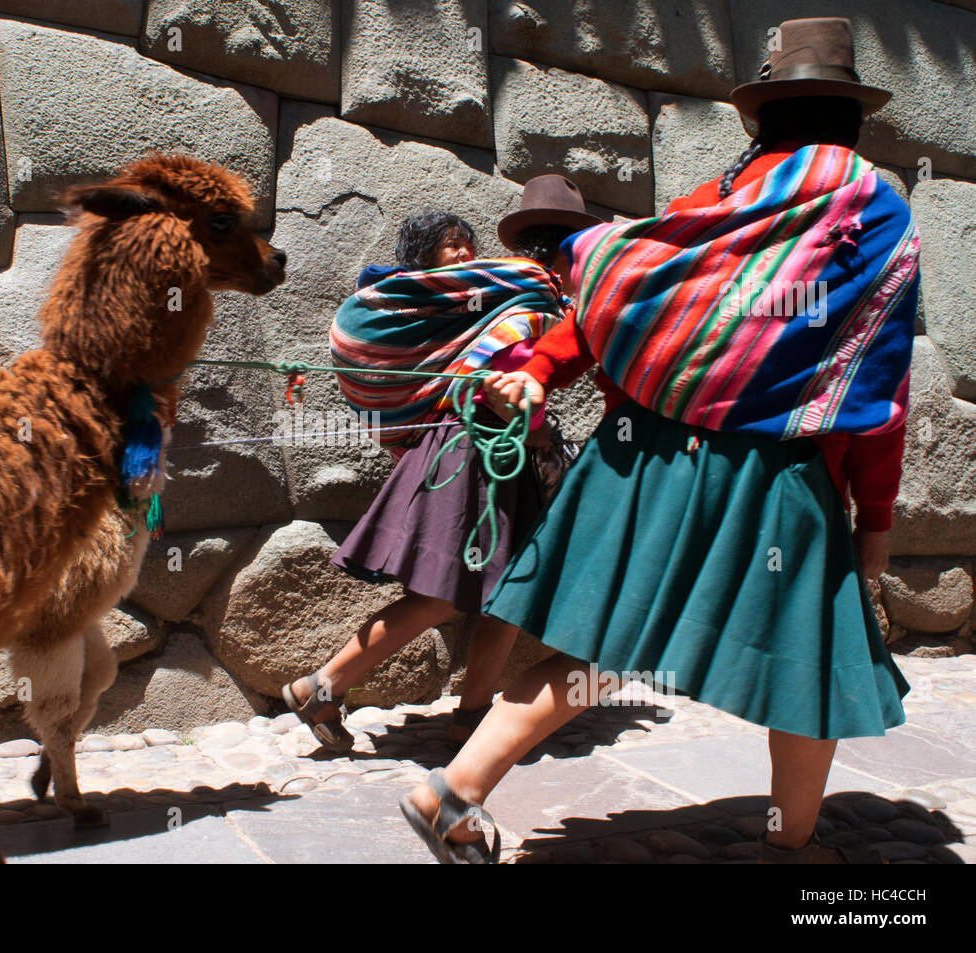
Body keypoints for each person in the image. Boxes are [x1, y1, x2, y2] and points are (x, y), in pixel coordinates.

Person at [400, 17, 919, 863]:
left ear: (764, 116)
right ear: (852, 115)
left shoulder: (710, 204)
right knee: (812, 667)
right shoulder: (874, 208)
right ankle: (793, 846)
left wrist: (538, 365)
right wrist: (876, 522)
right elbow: (874, 388)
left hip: (641, 461)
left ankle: (449, 787)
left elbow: (622, 290)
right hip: (774, 479)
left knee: (597, 656)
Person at [282, 184, 602, 750]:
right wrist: (545, 437)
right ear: (565, 251)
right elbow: (500, 390)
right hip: (476, 455)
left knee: (508, 593)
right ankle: (324, 686)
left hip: (490, 458)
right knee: (443, 595)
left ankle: (472, 718)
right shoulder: (528, 302)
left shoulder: (494, 295)